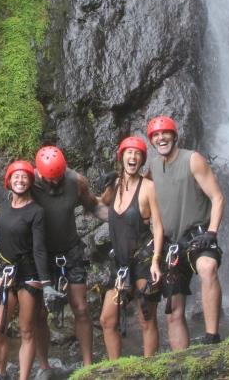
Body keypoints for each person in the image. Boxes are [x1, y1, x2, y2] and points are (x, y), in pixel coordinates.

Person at [0, 146, 104, 370]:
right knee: (38, 316)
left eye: (58, 177)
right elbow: (9, 191)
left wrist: (122, 217)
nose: (55, 182)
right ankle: (44, 366)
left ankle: (88, 367)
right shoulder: (29, 181)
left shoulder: (76, 181)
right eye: (50, 178)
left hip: (70, 251)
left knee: (80, 308)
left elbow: (95, 206)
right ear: (39, 173)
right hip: (41, 256)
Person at [145, 115, 225, 348]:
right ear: (152, 141)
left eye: (165, 133)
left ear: (174, 135)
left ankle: (212, 338)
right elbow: (137, 191)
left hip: (198, 236)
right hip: (171, 244)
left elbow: (218, 197)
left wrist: (211, 232)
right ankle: (182, 360)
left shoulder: (193, 159)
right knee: (173, 312)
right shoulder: (154, 167)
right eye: (156, 135)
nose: (161, 138)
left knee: (207, 267)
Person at [0, 159, 64, 380]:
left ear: (30, 181)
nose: (20, 181)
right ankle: (0, 373)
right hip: (7, 272)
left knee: (27, 331)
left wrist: (46, 285)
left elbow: (39, 249)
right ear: (9, 180)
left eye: (24, 177)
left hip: (30, 274)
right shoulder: (5, 200)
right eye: (16, 177)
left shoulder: (36, 212)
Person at [99, 136, 164, 359]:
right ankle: (115, 369)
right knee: (107, 320)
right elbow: (101, 204)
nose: (133, 157)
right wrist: (105, 185)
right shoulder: (115, 185)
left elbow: (158, 226)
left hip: (143, 259)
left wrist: (156, 261)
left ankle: (149, 368)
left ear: (142, 160)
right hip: (120, 263)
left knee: (146, 319)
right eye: (129, 153)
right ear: (122, 157)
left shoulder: (148, 187)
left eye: (137, 154)